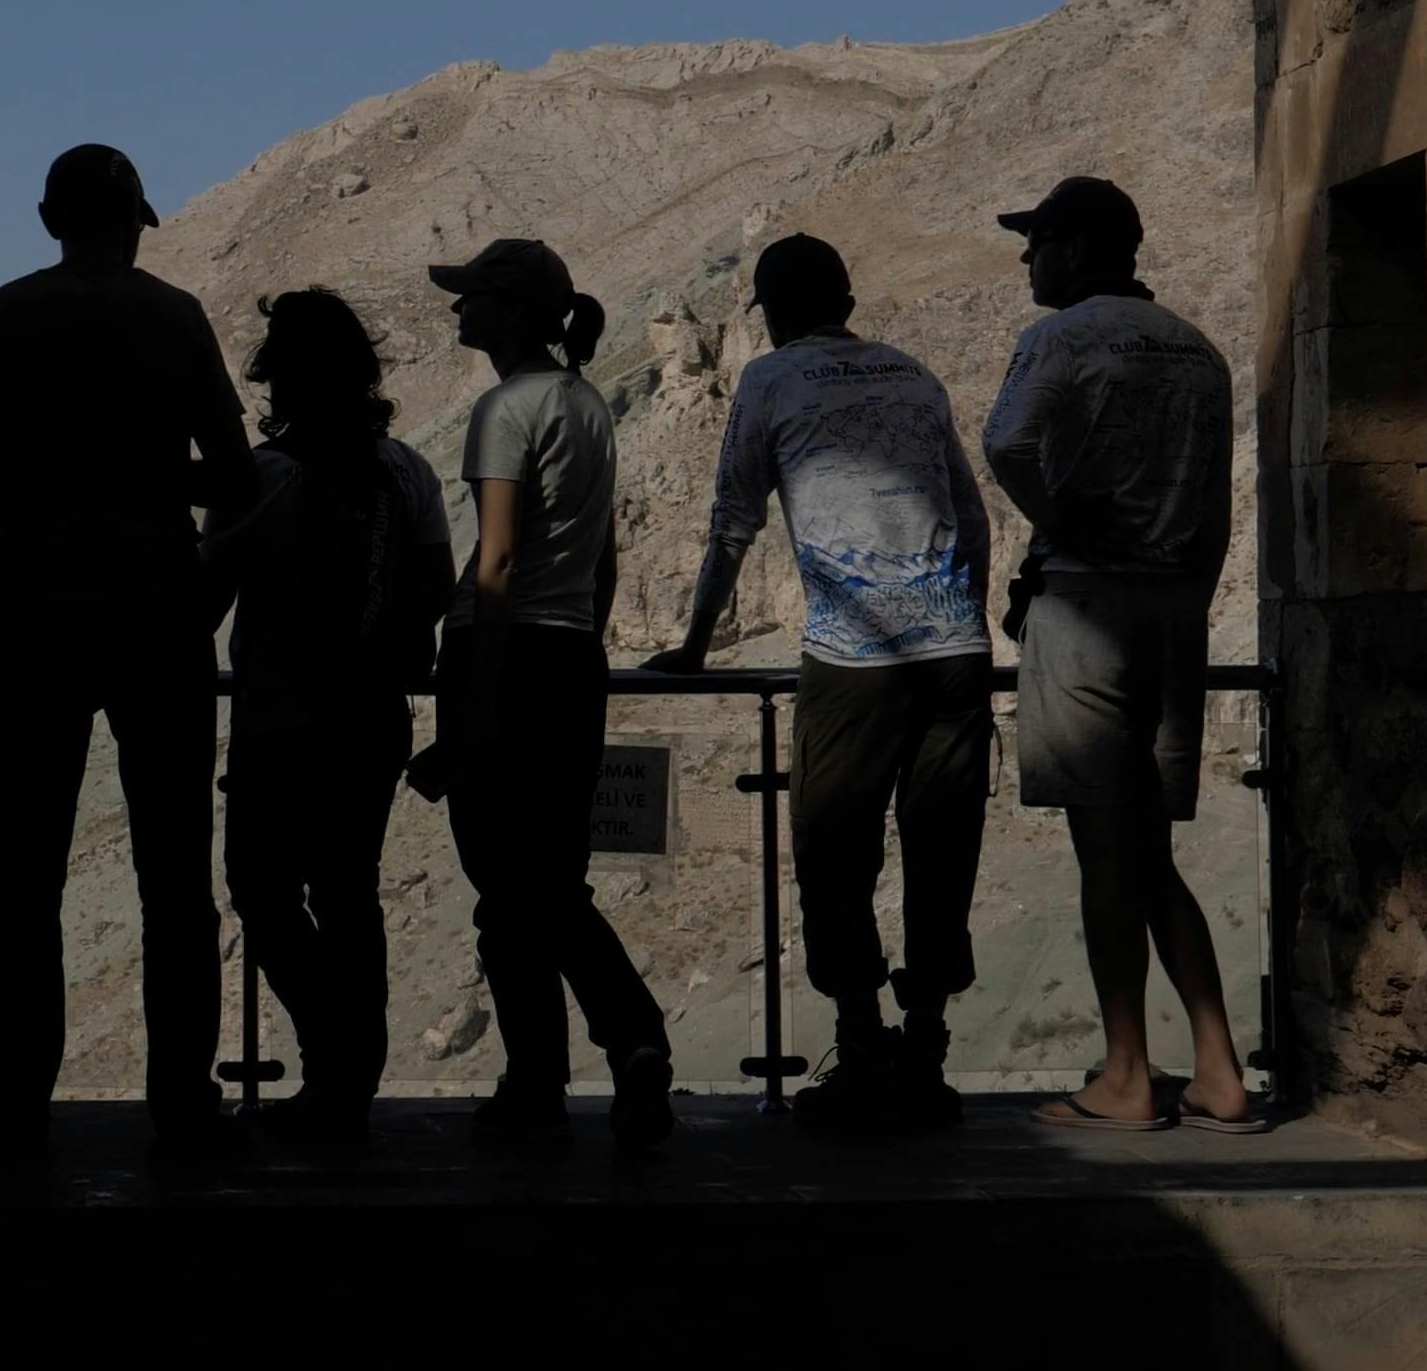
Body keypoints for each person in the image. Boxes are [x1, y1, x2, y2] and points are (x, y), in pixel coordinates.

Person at [0, 143, 261, 1160]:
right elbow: (240, 480)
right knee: (175, 875)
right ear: (133, 221)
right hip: (161, 611)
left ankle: (19, 1097)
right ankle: (183, 1098)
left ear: (46, 217)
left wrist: (23, 478)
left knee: (26, 874)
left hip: (36, 613)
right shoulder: (174, 316)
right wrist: (200, 582)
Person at [642, 233, 991, 1133]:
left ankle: (863, 1048)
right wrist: (967, 620)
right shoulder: (913, 373)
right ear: (846, 295)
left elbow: (732, 520)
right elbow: (972, 514)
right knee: (942, 849)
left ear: (772, 312)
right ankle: (927, 1051)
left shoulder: (767, 382)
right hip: (955, 652)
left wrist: (692, 643)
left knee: (835, 851)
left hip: (853, 661)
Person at [978, 176, 1262, 1133]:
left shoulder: (1058, 338)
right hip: (1179, 613)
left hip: (1087, 614)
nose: (1027, 259)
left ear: (1078, 250)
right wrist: (1189, 593)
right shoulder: (1200, 350)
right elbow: (1220, 505)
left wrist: (1065, 523)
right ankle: (1221, 1070)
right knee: (1152, 852)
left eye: (1038, 241)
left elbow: (1007, 442)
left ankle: (1128, 1077)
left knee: (1105, 852)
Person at [407, 239, 675, 1149]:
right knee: (548, 876)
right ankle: (579, 1063)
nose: (457, 311)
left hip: (501, 653)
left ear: (512, 310)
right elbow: (600, 556)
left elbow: (497, 560)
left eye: (472, 296)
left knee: (506, 880)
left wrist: (477, 710)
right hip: (569, 660)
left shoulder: (505, 409)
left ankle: (597, 1051)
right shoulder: (587, 404)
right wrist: (585, 646)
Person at [203, 290, 454, 1144]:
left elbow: (203, 600)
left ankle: (331, 1057)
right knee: (350, 895)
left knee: (261, 890)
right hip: (373, 719)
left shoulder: (260, 478)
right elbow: (435, 593)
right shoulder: (407, 471)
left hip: (278, 723)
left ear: (279, 377)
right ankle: (352, 1077)